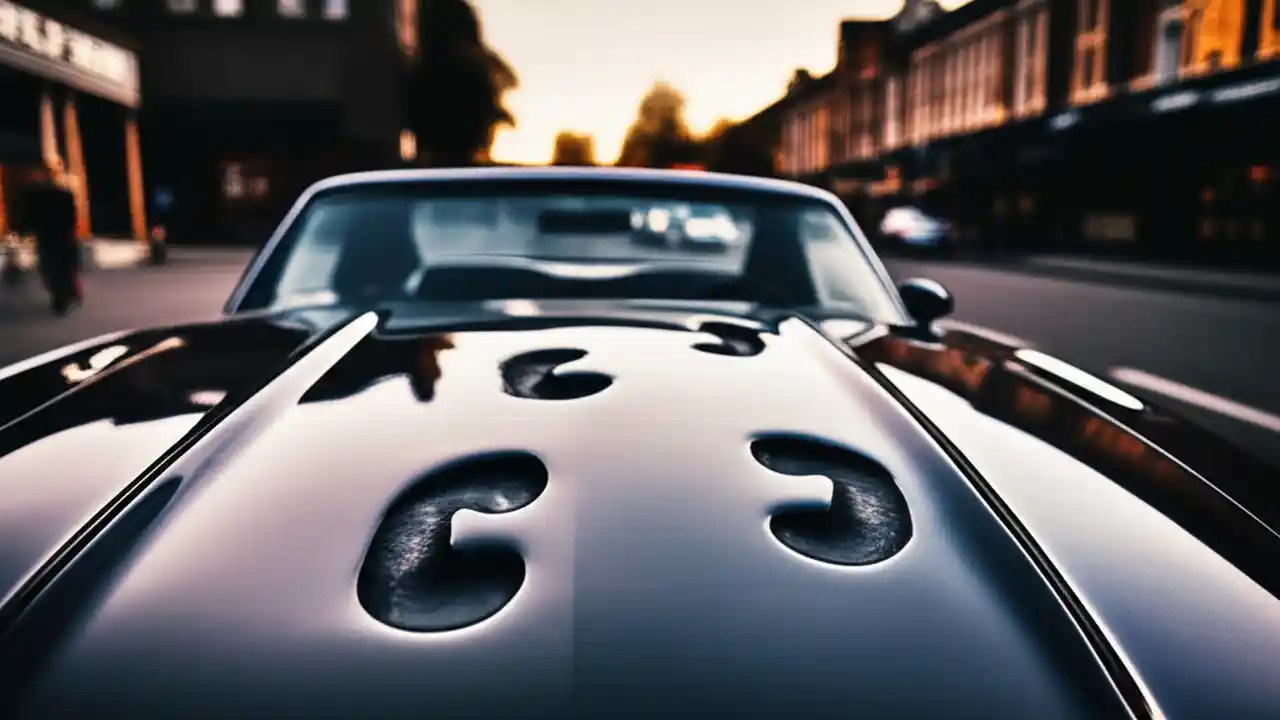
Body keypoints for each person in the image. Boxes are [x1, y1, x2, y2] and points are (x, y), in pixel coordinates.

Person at [15, 161, 82, 315]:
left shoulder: (34, 194)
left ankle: (62, 295)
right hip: (62, 236)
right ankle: (65, 294)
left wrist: (23, 230)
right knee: (63, 267)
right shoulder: (64, 194)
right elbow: (71, 218)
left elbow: (28, 216)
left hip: (49, 237)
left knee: (52, 267)